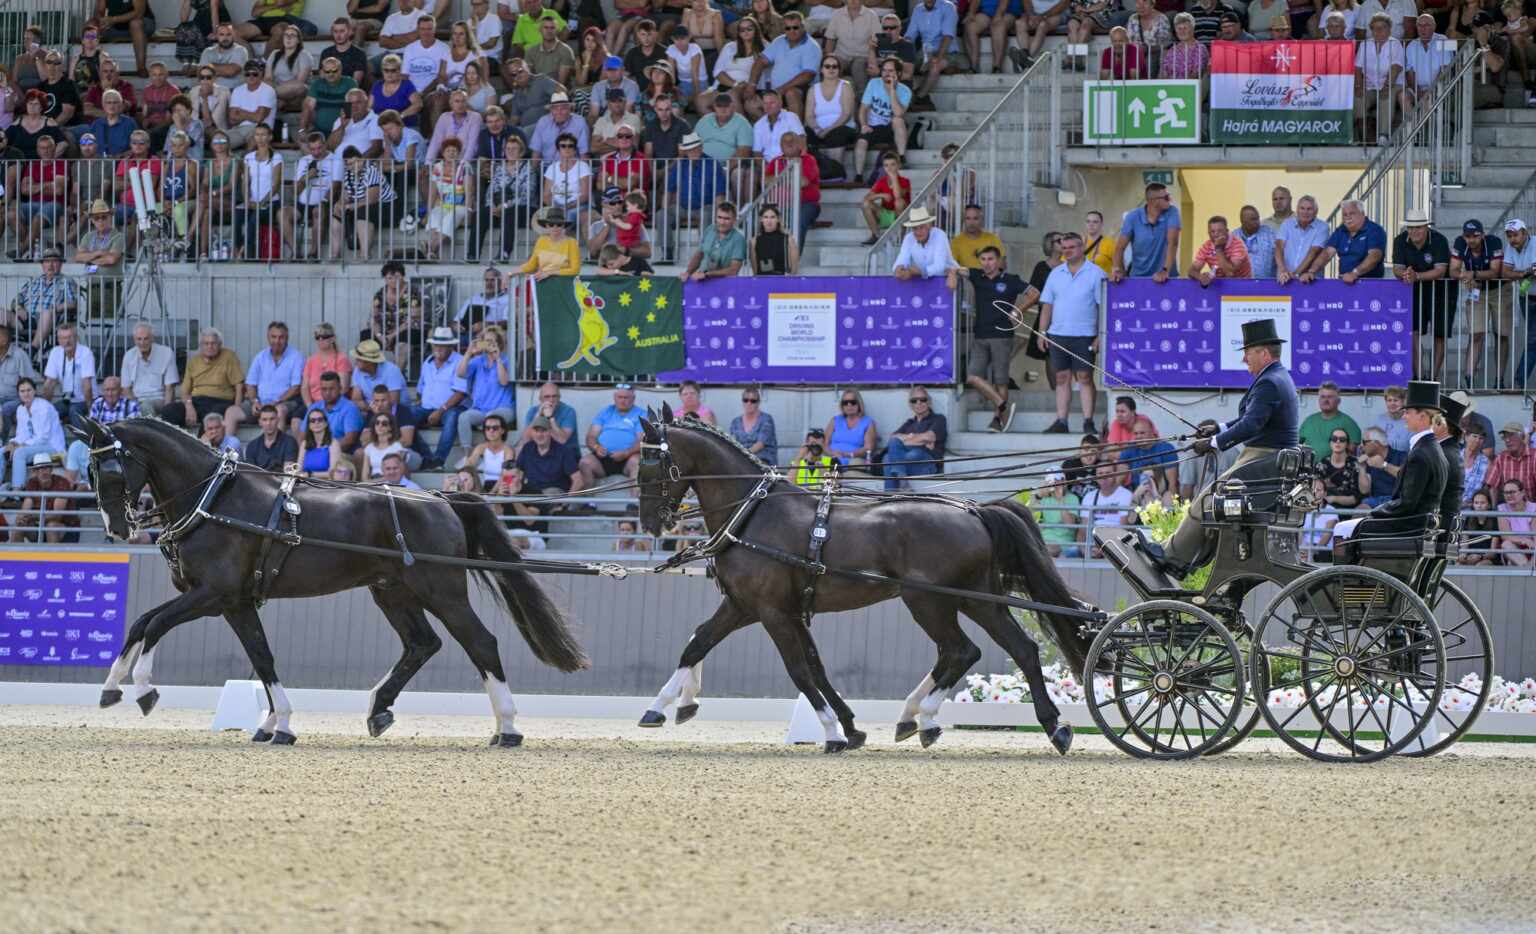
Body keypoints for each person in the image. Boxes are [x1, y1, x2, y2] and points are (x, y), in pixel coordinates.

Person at [1146, 319, 1299, 575]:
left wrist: (1215, 443)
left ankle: (1173, 558)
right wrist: (1218, 428)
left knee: (1207, 499)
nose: (1244, 361)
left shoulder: (1269, 382)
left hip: (1264, 458)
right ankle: (1185, 555)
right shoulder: (1277, 377)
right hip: (1266, 457)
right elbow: (1250, 419)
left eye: (1247, 354)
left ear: (1263, 352)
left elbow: (1251, 425)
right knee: (1209, 498)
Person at [1331, 380, 1447, 544]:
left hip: (1411, 525)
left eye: (1408, 412)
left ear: (1422, 416)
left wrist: (1374, 513)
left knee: (1344, 529)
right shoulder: (1430, 447)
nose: (1404, 416)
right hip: (1420, 524)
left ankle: (1349, 569)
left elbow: (1407, 503)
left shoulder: (1421, 453)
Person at [1038, 232, 1106, 435]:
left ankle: (1088, 421)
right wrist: (1042, 332)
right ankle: (1062, 421)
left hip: (1085, 334)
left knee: (1084, 377)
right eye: (1064, 247)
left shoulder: (1096, 273)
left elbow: (1102, 307)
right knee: (1061, 377)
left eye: (1071, 247)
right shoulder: (1056, 273)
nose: (1067, 251)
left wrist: (1100, 335)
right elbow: (1047, 305)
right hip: (1058, 333)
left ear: (1082, 247)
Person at [966, 244, 1029, 432]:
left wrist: (1018, 311)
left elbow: (1034, 293)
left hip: (1002, 336)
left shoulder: (1010, 279)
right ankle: (1002, 404)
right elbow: (952, 267)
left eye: (991, 259)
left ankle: (998, 419)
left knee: (1000, 380)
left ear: (999, 261)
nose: (987, 263)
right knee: (972, 376)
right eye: (983, 259)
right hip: (980, 335)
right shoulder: (976, 275)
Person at [1392, 210, 1453, 380]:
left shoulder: (1439, 240)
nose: (1414, 231)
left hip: (1441, 291)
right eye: (1410, 227)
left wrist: (1416, 276)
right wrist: (1405, 274)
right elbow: (1397, 268)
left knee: (1439, 333)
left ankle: (1433, 378)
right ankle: (1419, 377)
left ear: (1426, 227)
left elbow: (1440, 271)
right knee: (1413, 332)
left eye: (1418, 227)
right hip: (1413, 290)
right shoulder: (1400, 240)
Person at [1451, 219, 1509, 387]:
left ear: (1482, 235)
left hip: (1500, 290)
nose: (1471, 240)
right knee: (1476, 334)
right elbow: (1453, 270)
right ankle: (1469, 379)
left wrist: (1472, 274)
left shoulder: (1494, 242)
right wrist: (1465, 277)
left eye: (1475, 236)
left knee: (1502, 335)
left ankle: (1500, 380)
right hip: (1477, 292)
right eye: (1467, 236)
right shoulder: (1460, 243)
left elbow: (1494, 271)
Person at [409, 327, 468, 470]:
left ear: (450, 346)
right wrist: (420, 402)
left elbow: (460, 393)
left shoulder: (459, 361)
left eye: (443, 345)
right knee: (405, 417)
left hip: (450, 408)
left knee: (453, 416)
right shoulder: (428, 362)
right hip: (426, 407)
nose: (438, 348)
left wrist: (440, 411)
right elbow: (420, 389)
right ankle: (427, 457)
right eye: (436, 345)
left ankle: (438, 460)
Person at [455, 326, 515, 451]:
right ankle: (468, 456)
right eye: (485, 341)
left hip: (503, 408)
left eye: (491, 341)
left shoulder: (506, 360)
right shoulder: (478, 360)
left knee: (492, 418)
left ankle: (491, 453)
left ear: (499, 343)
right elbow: (460, 373)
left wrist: (497, 358)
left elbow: (504, 382)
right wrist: (468, 353)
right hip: (480, 409)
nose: (488, 344)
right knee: (463, 417)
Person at [6, 250, 77, 353]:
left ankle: (32, 350)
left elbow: (73, 303)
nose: (50, 265)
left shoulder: (66, 281)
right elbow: (16, 300)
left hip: (46, 320)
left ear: (61, 264)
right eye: (47, 261)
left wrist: (56, 308)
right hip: (24, 318)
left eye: (54, 261)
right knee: (2, 313)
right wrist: (19, 308)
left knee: (47, 312)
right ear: (42, 265)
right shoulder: (34, 281)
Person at [1301, 199, 1386, 283]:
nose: (1348, 217)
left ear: (1362, 214)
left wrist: (1355, 273)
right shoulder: (1341, 231)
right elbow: (1327, 253)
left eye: (1352, 213)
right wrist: (1311, 271)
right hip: (1344, 282)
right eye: (1345, 215)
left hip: (1369, 284)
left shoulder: (1374, 230)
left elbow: (1374, 256)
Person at [1112, 182, 1181, 283]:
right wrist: (1119, 270)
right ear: (1154, 201)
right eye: (1166, 197)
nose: (1170, 200)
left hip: (1166, 279)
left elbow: (1173, 242)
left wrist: (1165, 270)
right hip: (1138, 278)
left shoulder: (1172, 212)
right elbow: (1120, 247)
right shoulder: (1133, 217)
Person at [754, 11, 820, 115]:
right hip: (776, 90)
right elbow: (761, 61)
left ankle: (797, 129)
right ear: (783, 29)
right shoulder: (779, 41)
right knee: (750, 102)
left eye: (795, 27)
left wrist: (781, 90)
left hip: (803, 89)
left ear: (803, 27)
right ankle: (774, 128)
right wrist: (751, 84)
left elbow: (807, 75)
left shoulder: (812, 46)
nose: (792, 31)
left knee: (791, 93)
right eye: (788, 28)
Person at [5, 379, 64, 490]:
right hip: (35, 446)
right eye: (22, 391)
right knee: (2, 451)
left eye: (29, 390)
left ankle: (17, 491)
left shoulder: (44, 407)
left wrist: (22, 446)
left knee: (19, 453)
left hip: (52, 447)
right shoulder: (21, 409)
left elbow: (43, 437)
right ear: (18, 393)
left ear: (34, 391)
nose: (26, 394)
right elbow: (23, 434)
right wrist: (14, 442)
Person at [580, 383, 645, 485]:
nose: (622, 400)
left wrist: (626, 453)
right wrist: (596, 447)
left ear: (633, 398)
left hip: (628, 457)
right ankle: (590, 501)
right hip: (603, 457)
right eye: (619, 397)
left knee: (638, 463)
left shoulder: (641, 414)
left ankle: (634, 501)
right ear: (614, 398)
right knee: (585, 462)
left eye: (626, 397)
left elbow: (642, 440)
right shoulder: (605, 412)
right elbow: (591, 436)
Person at [882, 387, 946, 490]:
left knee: (912, 454)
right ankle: (902, 481)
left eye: (923, 400)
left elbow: (929, 436)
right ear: (910, 404)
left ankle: (890, 495)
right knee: (888, 455)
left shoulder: (938, 419)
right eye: (914, 400)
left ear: (929, 402)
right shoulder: (909, 423)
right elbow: (892, 438)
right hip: (908, 464)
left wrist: (905, 440)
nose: (918, 403)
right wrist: (917, 440)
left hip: (927, 465)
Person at [1355, 13, 1405, 143]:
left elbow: (1396, 67)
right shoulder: (1365, 45)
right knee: (1359, 98)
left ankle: (1383, 135)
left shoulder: (1395, 44)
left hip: (1393, 84)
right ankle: (1364, 137)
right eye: (1374, 28)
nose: (1378, 31)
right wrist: (1358, 86)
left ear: (1389, 29)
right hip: (1370, 85)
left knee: (1386, 94)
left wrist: (1387, 86)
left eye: (1382, 27)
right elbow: (1358, 68)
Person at [1502, 218, 1536, 386]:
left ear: (1525, 233)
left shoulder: (1535, 243)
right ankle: (1519, 381)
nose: (1512, 239)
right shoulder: (1511, 247)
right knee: (1533, 339)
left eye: (1515, 235)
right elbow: (1505, 272)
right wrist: (1524, 274)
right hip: (1527, 297)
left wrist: (1521, 273)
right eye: (1509, 235)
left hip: (1529, 296)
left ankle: (1519, 381)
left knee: (1533, 339)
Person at [516, 414, 584, 497]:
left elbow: (578, 481)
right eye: (536, 431)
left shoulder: (563, 451)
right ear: (532, 433)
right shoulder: (527, 448)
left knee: (547, 496)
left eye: (543, 430)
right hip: (531, 492)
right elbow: (517, 472)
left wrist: (566, 502)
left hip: (553, 493)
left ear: (550, 432)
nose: (539, 435)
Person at [893, 206, 960, 288]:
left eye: (921, 227)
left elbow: (940, 266)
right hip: (928, 284)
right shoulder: (909, 238)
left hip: (951, 279)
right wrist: (899, 269)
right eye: (915, 228)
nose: (918, 232)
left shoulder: (939, 235)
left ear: (929, 226)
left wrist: (919, 271)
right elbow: (901, 260)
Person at [42, 324, 97, 423]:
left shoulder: (85, 352)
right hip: (67, 401)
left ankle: (85, 438)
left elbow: (87, 386)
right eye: (63, 338)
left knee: (74, 411)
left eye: (69, 337)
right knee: (48, 414)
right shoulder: (55, 352)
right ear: (58, 340)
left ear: (76, 338)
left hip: (85, 400)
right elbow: (49, 384)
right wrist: (45, 407)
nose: (66, 341)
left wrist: (91, 411)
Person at [1079, 460, 1135, 557]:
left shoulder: (1126, 495)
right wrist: (1086, 550)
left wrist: (1105, 549)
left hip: (1117, 545)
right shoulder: (1089, 497)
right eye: (1100, 473)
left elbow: (1123, 529)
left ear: (1115, 475)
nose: (1104, 477)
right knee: (1071, 551)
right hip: (1094, 544)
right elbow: (1084, 530)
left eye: (1108, 473)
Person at [1273, 195, 1330, 286]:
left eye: (1309, 209)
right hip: (1284, 279)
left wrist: (1295, 274)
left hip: (1308, 281)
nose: (1305, 212)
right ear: (1297, 210)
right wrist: (1283, 270)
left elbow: (1313, 253)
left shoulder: (1323, 227)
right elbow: (1279, 247)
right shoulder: (1287, 224)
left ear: (1316, 212)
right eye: (1302, 208)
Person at [685, 201, 749, 280]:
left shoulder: (739, 239)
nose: (722, 222)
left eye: (727, 218)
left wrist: (707, 274)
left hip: (725, 285)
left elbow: (733, 270)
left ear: (734, 220)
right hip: (702, 282)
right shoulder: (709, 229)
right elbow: (699, 255)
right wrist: (687, 272)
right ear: (715, 217)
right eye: (719, 217)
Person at [1298, 380, 1362, 458]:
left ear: (1338, 401)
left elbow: (1352, 452)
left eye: (1330, 397)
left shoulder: (1349, 423)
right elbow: (1296, 446)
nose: (1326, 400)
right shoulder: (1309, 421)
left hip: (1336, 469)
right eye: (1323, 397)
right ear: (1319, 400)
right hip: (1309, 468)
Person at [1122, 416, 1178, 499]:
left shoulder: (1166, 448)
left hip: (1162, 496)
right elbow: (1118, 479)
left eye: (1142, 433)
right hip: (1139, 496)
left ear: (1152, 433)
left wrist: (1172, 508)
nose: (1139, 437)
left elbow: (1172, 483)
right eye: (1136, 433)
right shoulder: (1130, 450)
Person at [861, 149, 910, 244]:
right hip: (885, 215)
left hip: (900, 216)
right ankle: (876, 236)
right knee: (866, 204)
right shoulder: (881, 181)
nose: (889, 168)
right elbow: (866, 198)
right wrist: (881, 195)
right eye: (886, 165)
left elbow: (897, 196)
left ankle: (901, 235)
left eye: (893, 164)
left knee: (898, 202)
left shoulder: (905, 181)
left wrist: (894, 177)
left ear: (899, 165)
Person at [1189, 215, 1253, 285]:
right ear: (1208, 233)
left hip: (1243, 286)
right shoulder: (1206, 246)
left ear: (1227, 231)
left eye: (1220, 231)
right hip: (1222, 286)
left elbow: (1230, 273)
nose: (1216, 234)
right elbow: (1191, 271)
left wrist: (1218, 249)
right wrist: (1201, 277)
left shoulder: (1238, 245)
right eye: (1212, 232)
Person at [0, 325, 39, 438]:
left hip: (16, 399)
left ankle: (2, 441)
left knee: (5, 409)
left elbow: (29, 383)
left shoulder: (20, 355)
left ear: (4, 340)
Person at [1319, 425, 1369, 509]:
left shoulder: (1356, 464)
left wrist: (1334, 498)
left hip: (1350, 510)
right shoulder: (1322, 463)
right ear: (1330, 442)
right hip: (1326, 510)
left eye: (1342, 440)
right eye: (1334, 439)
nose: (1337, 442)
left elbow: (1357, 497)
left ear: (1347, 444)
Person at [824, 389, 877, 467]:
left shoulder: (868, 422)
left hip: (853, 460)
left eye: (853, 402)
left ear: (859, 404)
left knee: (853, 464)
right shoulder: (835, 420)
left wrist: (849, 454)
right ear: (842, 406)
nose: (849, 405)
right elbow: (824, 444)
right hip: (832, 458)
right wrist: (832, 453)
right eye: (845, 403)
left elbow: (868, 448)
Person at [1487, 421, 1536, 505]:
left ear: (1522, 436)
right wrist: (1494, 510)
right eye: (1504, 437)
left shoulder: (1534, 456)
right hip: (1508, 510)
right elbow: (1492, 485)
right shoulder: (1501, 458)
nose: (1507, 440)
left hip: (1531, 510)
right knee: (1459, 516)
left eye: (1511, 435)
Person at [243, 403, 300, 471]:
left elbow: (288, 474)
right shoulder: (252, 446)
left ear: (278, 420)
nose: (268, 423)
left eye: (272, 419)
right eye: (265, 419)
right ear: (260, 422)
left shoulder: (289, 442)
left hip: (281, 481)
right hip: (258, 481)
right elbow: (251, 474)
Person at [728, 387, 778, 464]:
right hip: (741, 461)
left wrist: (744, 455)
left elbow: (760, 444)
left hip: (762, 462)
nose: (749, 403)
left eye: (753, 401)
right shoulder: (735, 422)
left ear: (758, 403)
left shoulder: (766, 420)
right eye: (746, 400)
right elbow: (733, 443)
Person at [950, 205, 1005, 271]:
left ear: (982, 220)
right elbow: (952, 267)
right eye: (968, 218)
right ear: (963, 220)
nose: (971, 223)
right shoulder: (956, 242)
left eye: (975, 218)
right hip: (966, 278)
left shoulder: (992, 239)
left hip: (990, 278)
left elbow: (1002, 264)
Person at [749, 204, 799, 275]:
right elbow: (755, 271)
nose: (769, 221)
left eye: (773, 217)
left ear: (778, 219)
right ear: (761, 219)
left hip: (783, 280)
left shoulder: (788, 239)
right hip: (763, 281)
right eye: (766, 217)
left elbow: (794, 270)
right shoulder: (754, 241)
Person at [1359, 426, 1402, 507]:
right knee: (1361, 509)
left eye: (1364, 442)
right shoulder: (1367, 459)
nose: (1361, 445)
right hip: (1375, 501)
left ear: (1376, 443)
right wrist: (1362, 467)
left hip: (1396, 500)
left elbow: (1407, 476)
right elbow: (1364, 490)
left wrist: (1383, 465)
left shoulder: (1401, 456)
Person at [297, 406, 345, 476]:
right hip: (305, 483)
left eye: (320, 420)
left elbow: (333, 473)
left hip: (325, 484)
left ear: (326, 423)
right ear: (309, 425)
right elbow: (298, 469)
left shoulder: (333, 443)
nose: (316, 423)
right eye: (312, 420)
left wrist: (310, 474)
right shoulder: (304, 444)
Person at [1233, 206, 1277, 281]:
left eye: (1258, 218)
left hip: (1267, 285)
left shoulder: (1268, 233)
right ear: (1243, 221)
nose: (1258, 222)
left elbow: (1279, 254)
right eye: (1253, 219)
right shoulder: (1233, 237)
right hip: (1241, 285)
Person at [1497, 478, 1535, 564]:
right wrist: (1523, 541)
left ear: (1522, 493)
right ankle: (1527, 569)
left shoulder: (1533, 508)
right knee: (1506, 544)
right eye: (1506, 492)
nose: (1509, 495)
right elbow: (1505, 536)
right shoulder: (1502, 508)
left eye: (1512, 492)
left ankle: (1527, 569)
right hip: (1515, 548)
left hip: (1532, 547)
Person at [1460, 487, 1499, 564]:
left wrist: (1480, 557)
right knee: (1459, 564)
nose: (1479, 506)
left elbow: (1493, 553)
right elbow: (1464, 546)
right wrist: (1463, 556)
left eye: (1482, 503)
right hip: (1470, 557)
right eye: (1476, 503)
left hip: (1487, 558)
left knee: (1481, 564)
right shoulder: (1468, 519)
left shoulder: (1494, 520)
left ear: (1489, 505)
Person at [1373, 383, 1411, 453]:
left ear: (1403, 402)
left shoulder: (1411, 421)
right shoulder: (1379, 420)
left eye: (1396, 400)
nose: (1392, 403)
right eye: (1389, 400)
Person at [1461, 422, 1489, 502]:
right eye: (1474, 436)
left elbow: (1485, 491)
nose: (1477, 440)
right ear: (1466, 437)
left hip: (1473, 509)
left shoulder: (1486, 462)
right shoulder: (1454, 457)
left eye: (1481, 438)